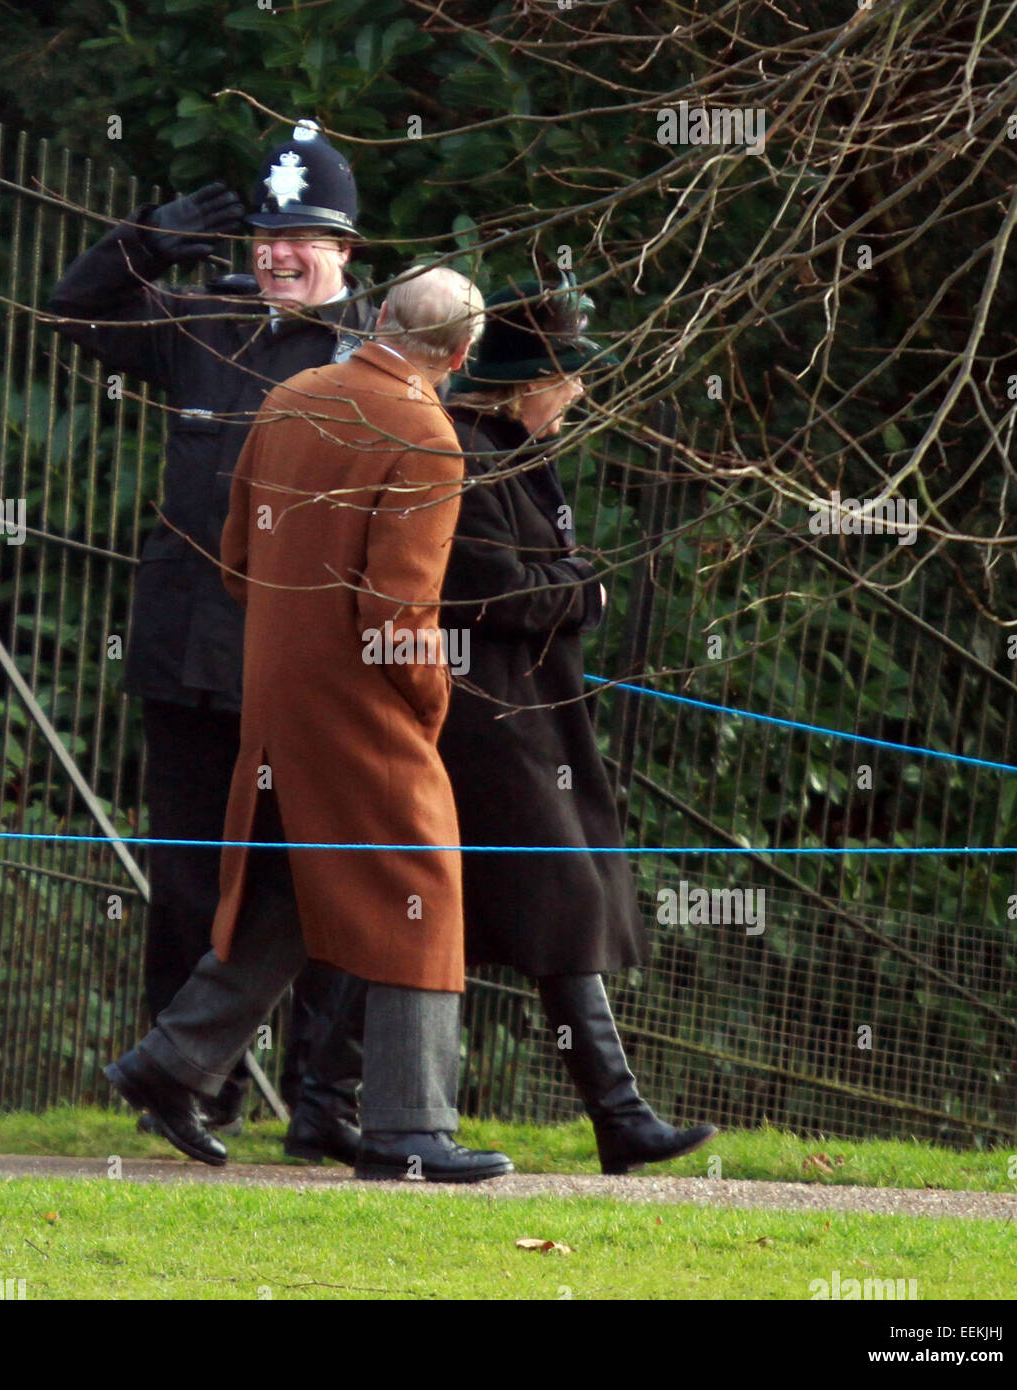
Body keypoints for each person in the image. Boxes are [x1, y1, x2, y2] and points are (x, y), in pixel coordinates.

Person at [104, 264, 515, 1182]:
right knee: (424, 886)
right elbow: (396, 613)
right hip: (359, 700)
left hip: (274, 687)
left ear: (376, 318)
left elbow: (237, 556)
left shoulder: (290, 397)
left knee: (293, 886)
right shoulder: (425, 432)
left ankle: (167, 1065)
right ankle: (410, 1131)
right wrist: (430, 698)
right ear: (458, 354)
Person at [45, 119, 369, 1159]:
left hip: (305, 669)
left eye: (303, 238)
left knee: (319, 881)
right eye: (269, 234)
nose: (278, 253)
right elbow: (73, 310)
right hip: (187, 653)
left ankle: (328, 1103)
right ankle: (187, 1089)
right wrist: (146, 238)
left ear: (345, 252)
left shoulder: (371, 361)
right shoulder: (206, 326)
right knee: (188, 878)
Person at [438, 278, 718, 1173]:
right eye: (569, 379)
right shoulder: (471, 454)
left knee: (504, 910)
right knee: (552, 900)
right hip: (492, 719)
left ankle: (620, 1119)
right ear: (526, 383)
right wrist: (585, 591)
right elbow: (482, 590)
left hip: (533, 711)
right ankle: (620, 1117)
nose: (580, 395)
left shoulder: (516, 449)